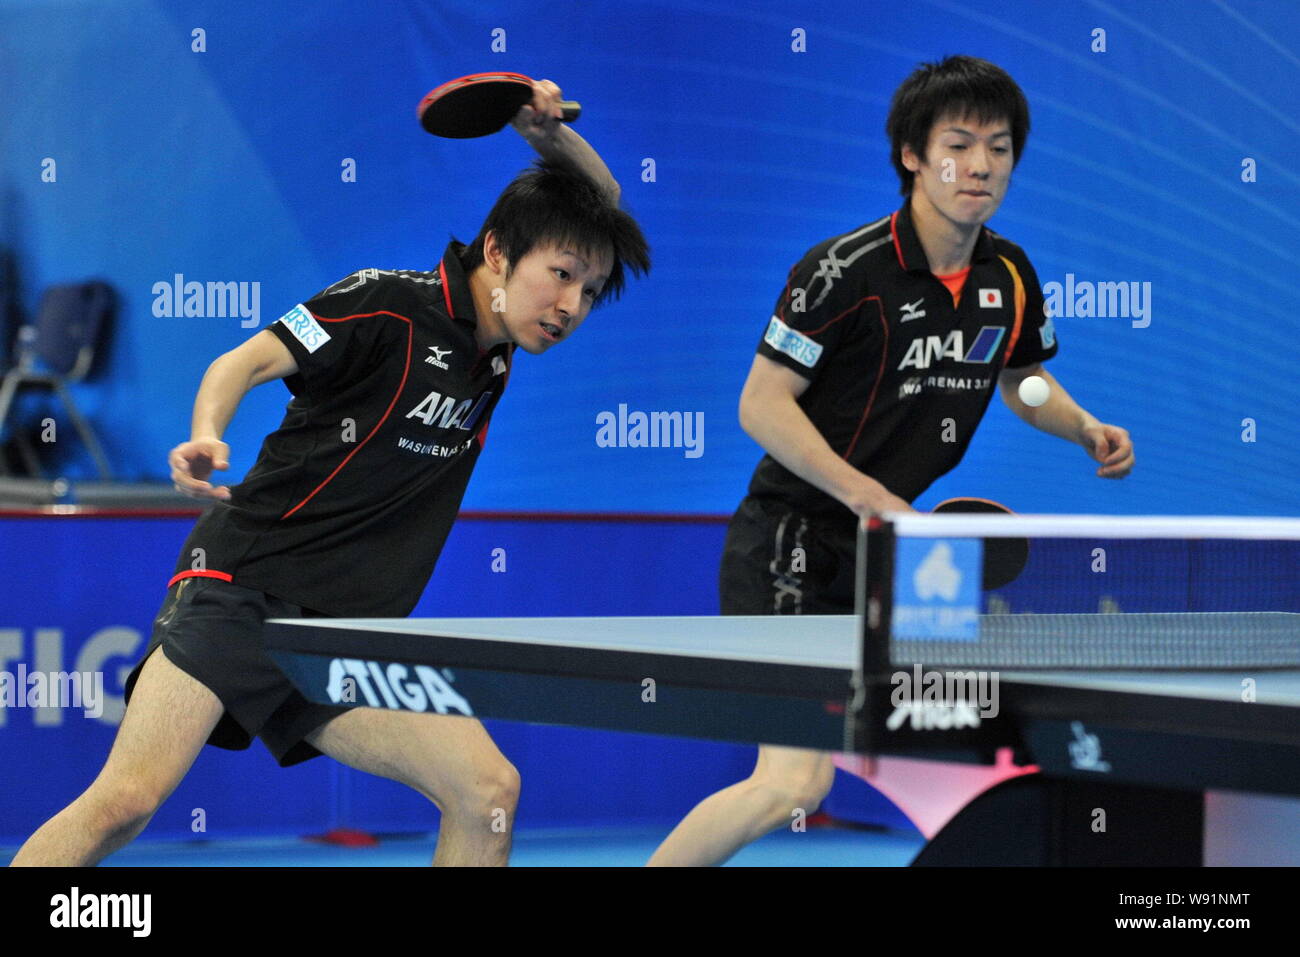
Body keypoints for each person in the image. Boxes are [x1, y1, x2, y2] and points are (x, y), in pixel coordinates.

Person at [12, 81, 649, 867]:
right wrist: (207, 434)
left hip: (341, 633)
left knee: (486, 791)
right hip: (239, 590)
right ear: (496, 254)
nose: (572, 304)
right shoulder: (383, 303)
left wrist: (545, 134)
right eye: (561, 275)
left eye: (589, 292)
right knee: (126, 802)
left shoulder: (498, 351)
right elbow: (244, 358)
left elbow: (605, 200)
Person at [647, 55, 1133, 866]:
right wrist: (869, 493)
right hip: (790, 545)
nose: (980, 165)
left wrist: (1083, 426)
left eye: (1001, 147)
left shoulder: (1007, 275)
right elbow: (760, 404)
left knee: (924, 750)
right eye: (960, 143)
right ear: (912, 153)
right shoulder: (841, 272)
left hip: (885, 555)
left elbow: (1020, 378)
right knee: (794, 783)